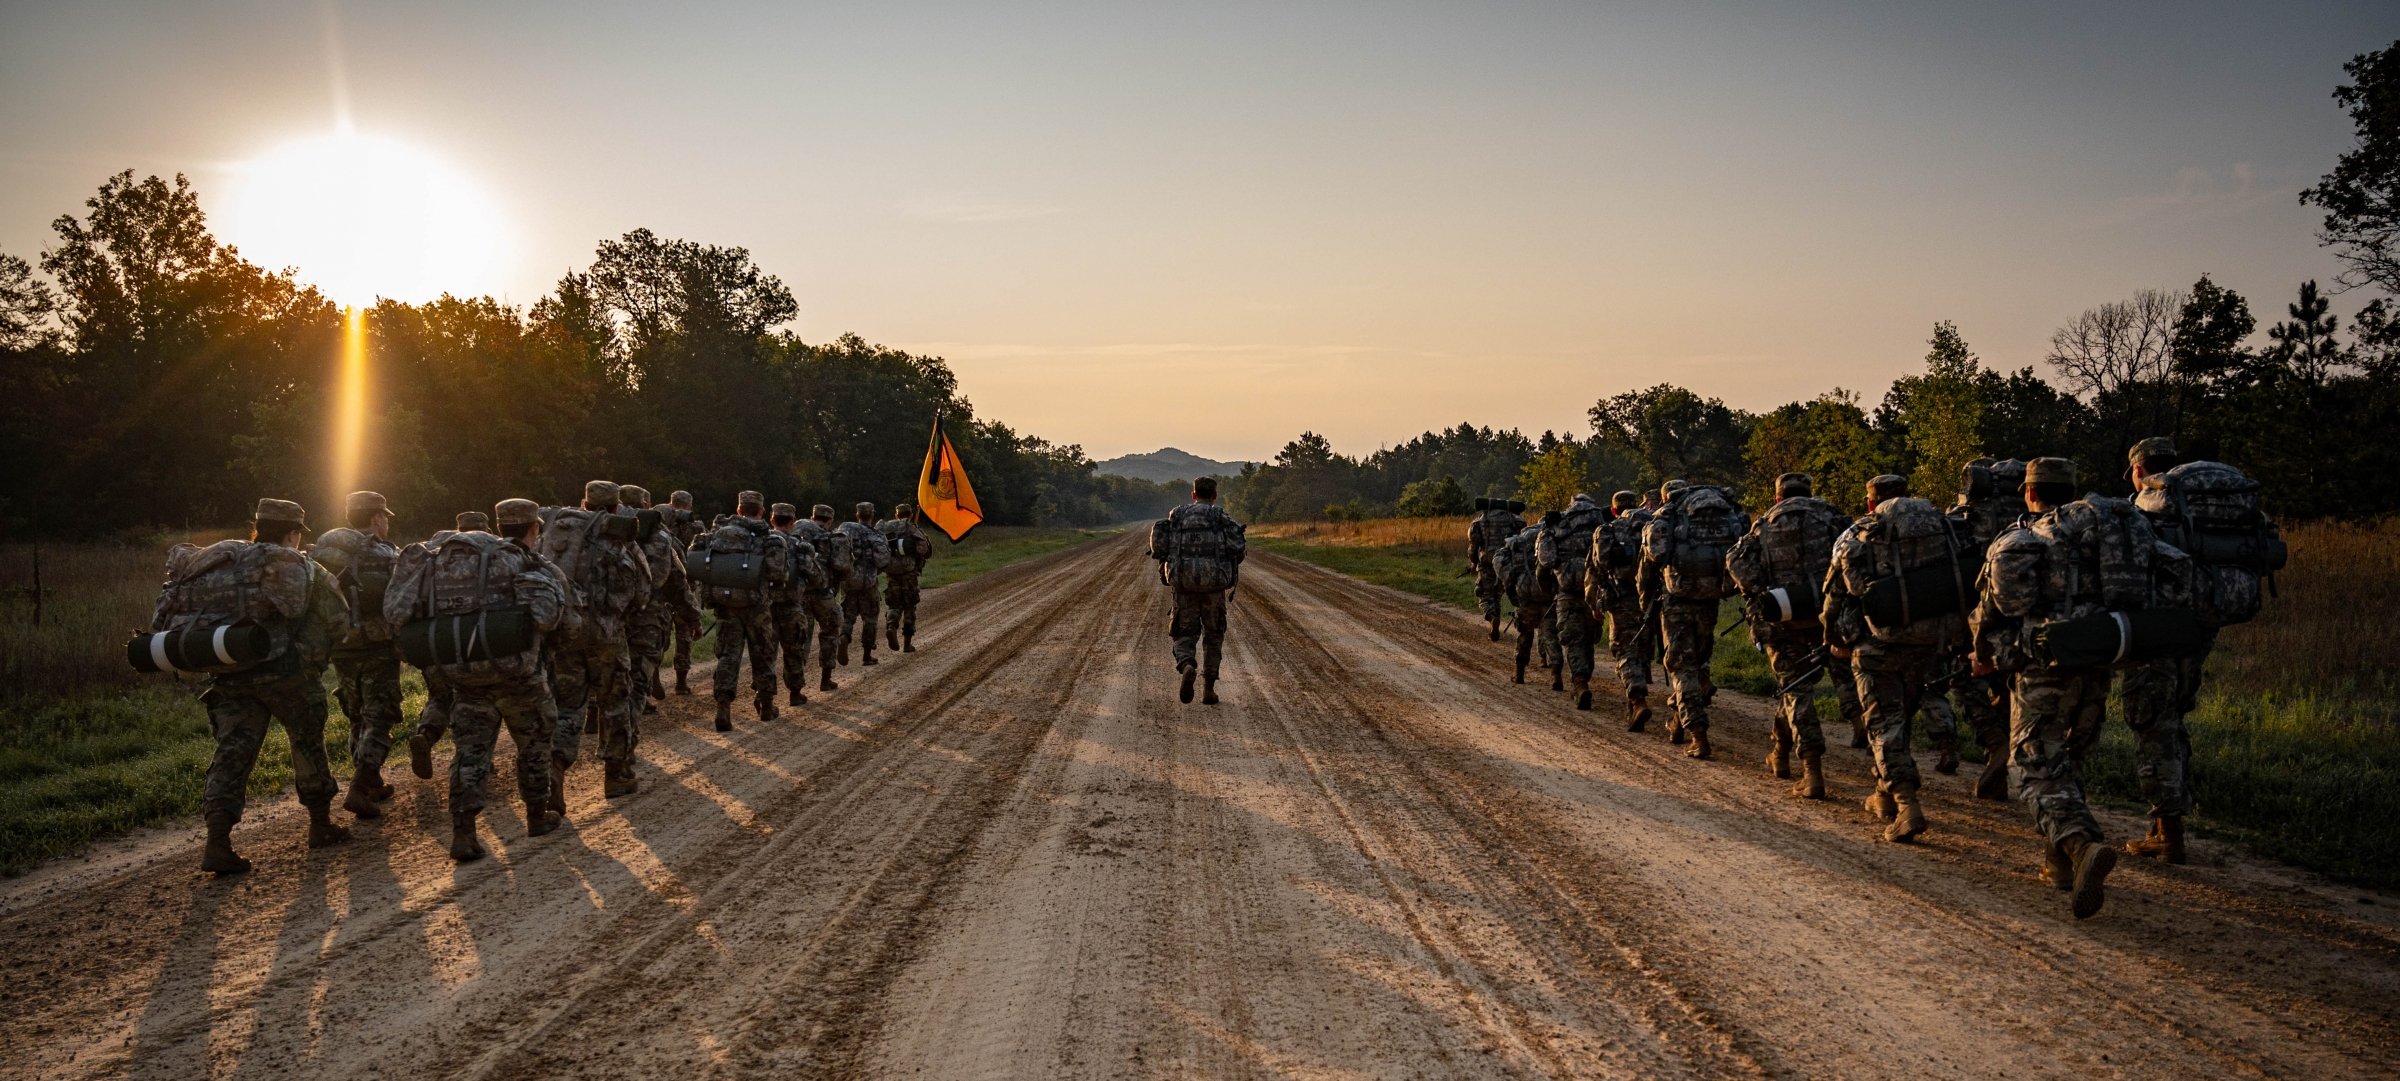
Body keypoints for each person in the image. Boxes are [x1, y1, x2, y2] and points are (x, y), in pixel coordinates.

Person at [1972, 457, 2139, 918]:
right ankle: (2058, 863)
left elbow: (1992, 610)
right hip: (2102, 659)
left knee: (2032, 765)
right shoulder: (2106, 535)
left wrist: (1984, 655)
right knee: (2069, 760)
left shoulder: (2027, 539)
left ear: (2030, 493)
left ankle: (2081, 845)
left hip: (2045, 666)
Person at [151, 498, 352, 874]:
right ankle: (320, 824)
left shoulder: (220, 559)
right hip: (286, 674)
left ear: (257, 528)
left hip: (229, 670)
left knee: (232, 752)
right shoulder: (298, 564)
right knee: (306, 742)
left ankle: (217, 841)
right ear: (293, 533)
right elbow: (339, 619)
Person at [2122, 436, 2279, 864]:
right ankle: (2165, 823)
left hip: (2159, 629)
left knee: (2151, 722)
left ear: (2139, 469)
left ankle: (2168, 831)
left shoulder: (2148, 506)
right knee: (2173, 717)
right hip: (2204, 625)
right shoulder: (2206, 501)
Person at [384, 498, 568, 861]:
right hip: (518, 676)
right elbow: (548, 618)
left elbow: (400, 613)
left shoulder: (446, 563)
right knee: (534, 743)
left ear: (500, 526)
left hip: (463, 675)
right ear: (534, 529)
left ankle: (464, 833)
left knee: (470, 751)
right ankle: (536, 816)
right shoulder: (524, 561)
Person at [1823, 475, 1970, 843]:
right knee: (1902, 714)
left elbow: (1837, 593)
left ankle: (1907, 806)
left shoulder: (1859, 532)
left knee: (1884, 723)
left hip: (1879, 644)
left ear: (1872, 501)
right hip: (1932, 642)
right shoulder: (1944, 527)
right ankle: (1883, 795)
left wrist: (1832, 637)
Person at [1726, 473, 1854, 797]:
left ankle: (1812, 771)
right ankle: (1780, 751)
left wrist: (1764, 591)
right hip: (1829, 618)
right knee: (1798, 689)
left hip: (1783, 620)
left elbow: (1736, 562)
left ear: (1778, 496)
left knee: (1796, 690)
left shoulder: (1764, 525)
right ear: (1809, 492)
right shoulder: (1832, 517)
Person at [536, 481, 653, 801]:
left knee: (567, 705)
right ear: (616, 507)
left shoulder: (555, 535)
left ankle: (556, 772)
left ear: (583, 503)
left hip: (565, 634)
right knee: (615, 702)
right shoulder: (620, 539)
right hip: (607, 634)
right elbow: (642, 592)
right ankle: (616, 775)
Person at [311, 491, 405, 821]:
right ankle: (360, 787)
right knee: (380, 714)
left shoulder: (328, 551)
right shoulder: (385, 553)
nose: (387, 523)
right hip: (377, 645)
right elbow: (398, 598)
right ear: (376, 518)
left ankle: (373, 783)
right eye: (385, 517)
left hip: (340, 645)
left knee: (356, 712)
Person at [1639, 480, 1749, 754]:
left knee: (1682, 666)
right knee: (1696, 662)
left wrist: (1646, 603)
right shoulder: (1723, 514)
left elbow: (1651, 562)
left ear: (1666, 497)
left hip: (1678, 599)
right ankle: (1677, 721)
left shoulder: (1668, 517)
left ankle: (1698, 732)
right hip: (1711, 597)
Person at [692, 491, 789, 731]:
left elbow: (696, 561)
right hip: (757, 606)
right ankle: (766, 706)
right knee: (763, 654)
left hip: (725, 606)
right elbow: (778, 574)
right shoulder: (769, 538)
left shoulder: (716, 534)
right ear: (762, 511)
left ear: (738, 510)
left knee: (728, 656)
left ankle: (723, 706)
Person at [406, 510, 489, 781]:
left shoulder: (436, 555)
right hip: (471, 644)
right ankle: (471, 755)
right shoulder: (488, 554)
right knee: (474, 701)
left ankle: (425, 735)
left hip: (434, 641)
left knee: (439, 697)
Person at [1150, 476, 1246, 704]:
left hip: (1183, 585)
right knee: (1214, 635)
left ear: (1193, 494)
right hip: (1214, 586)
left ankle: (1187, 665)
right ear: (1214, 496)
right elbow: (1238, 548)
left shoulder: (1178, 515)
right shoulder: (1220, 517)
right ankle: (1208, 689)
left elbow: (1159, 549)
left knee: (1183, 632)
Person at [620, 485, 701, 715]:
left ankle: (596, 712)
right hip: (649, 607)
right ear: (646, 504)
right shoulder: (660, 533)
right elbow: (677, 579)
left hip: (607, 608)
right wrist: (694, 615)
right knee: (645, 655)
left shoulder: (598, 528)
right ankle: (639, 704)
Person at [1587, 491, 1655, 728]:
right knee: (1643, 648)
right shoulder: (1654, 525)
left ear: (1614, 510)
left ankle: (1637, 699)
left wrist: (1594, 603)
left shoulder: (1608, 530)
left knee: (1623, 649)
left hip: (1621, 598)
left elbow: (1597, 567)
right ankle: (1634, 702)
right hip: (1652, 600)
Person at [1536, 493, 1610, 711]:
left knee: (1573, 639)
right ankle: (1583, 677)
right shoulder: (1603, 524)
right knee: (1589, 638)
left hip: (1567, 591)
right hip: (1595, 592)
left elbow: (1545, 561)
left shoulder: (1558, 524)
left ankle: (1580, 682)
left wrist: (1551, 587)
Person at [768, 502, 831, 705]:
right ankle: (795, 694)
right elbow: (816, 578)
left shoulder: (761, 543)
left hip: (764, 608)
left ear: (772, 519)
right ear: (792, 522)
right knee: (793, 650)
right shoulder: (798, 546)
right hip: (791, 606)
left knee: (766, 653)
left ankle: (764, 697)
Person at [792, 504, 849, 692]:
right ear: (830, 520)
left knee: (801, 638)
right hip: (823, 594)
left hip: (799, 594)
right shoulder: (830, 537)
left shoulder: (796, 531)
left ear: (813, 516)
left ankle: (796, 689)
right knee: (830, 632)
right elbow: (843, 568)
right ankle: (826, 680)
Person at [1502, 512, 1561, 685]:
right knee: (1551, 636)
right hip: (1548, 595)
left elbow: (1501, 560)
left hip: (1526, 594)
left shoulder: (1521, 538)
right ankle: (1556, 675)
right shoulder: (1554, 537)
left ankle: (1519, 673)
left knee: (1525, 635)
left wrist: (1510, 587)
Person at [836, 502, 890, 666]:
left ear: (857, 515)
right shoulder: (877, 535)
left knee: (848, 616)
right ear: (872, 515)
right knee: (870, 619)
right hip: (868, 582)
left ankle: (844, 637)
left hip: (849, 581)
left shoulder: (846, 530)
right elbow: (884, 561)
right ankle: (867, 656)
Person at [666, 490, 707, 695]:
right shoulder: (696, 527)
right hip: (686, 585)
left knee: (659, 633)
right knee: (684, 633)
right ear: (689, 506)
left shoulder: (660, 523)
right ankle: (681, 682)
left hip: (662, 585)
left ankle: (652, 676)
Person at [1467, 498, 1525, 641]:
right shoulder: (1516, 520)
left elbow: (1473, 546)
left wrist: (1473, 562)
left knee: (1485, 594)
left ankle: (1492, 617)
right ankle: (1496, 621)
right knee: (1497, 594)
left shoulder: (1480, 521)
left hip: (1487, 562)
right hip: (1507, 563)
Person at [881, 503, 934, 652]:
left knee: (894, 604)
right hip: (909, 573)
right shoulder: (912, 528)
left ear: (896, 515)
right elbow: (924, 550)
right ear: (910, 515)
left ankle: (891, 626)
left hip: (892, 573)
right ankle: (907, 644)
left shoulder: (887, 527)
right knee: (910, 606)